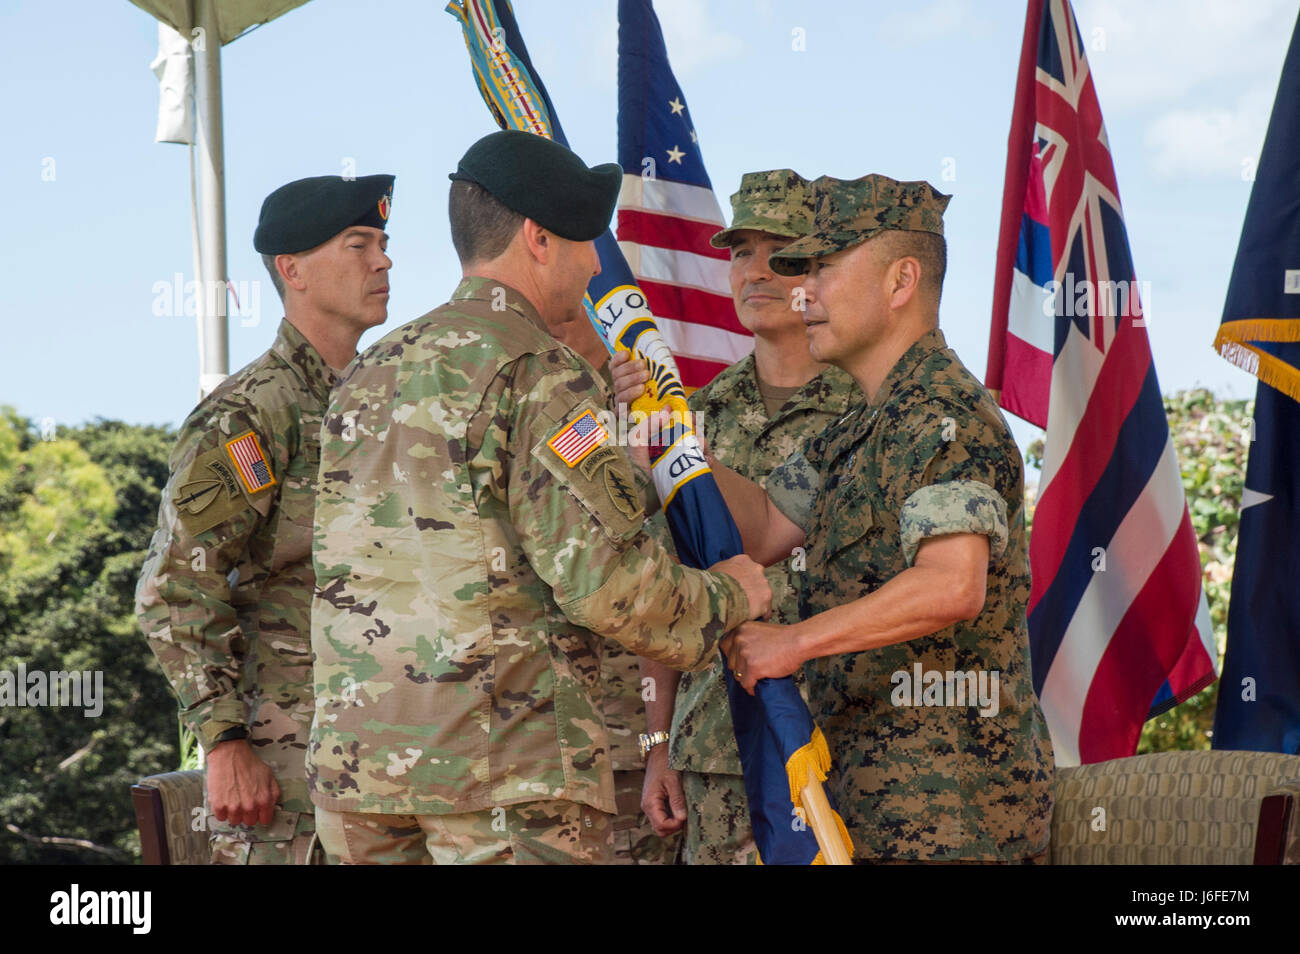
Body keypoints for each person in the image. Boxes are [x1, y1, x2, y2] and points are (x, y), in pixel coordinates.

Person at [306, 129, 771, 866]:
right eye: (586, 241)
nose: (596, 264)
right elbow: (603, 586)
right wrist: (731, 595)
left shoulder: (369, 371)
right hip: (501, 776)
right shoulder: (541, 373)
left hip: (359, 774)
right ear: (539, 239)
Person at [621, 173, 1054, 863]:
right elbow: (762, 526)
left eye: (823, 267)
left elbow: (952, 585)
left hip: (950, 809)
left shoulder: (944, 415)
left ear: (901, 281)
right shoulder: (858, 427)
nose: (806, 290)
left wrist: (793, 643)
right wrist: (666, 431)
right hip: (863, 795)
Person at [136, 173, 395, 864]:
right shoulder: (253, 412)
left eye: (383, 242)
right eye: (358, 244)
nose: (383, 260)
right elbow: (174, 586)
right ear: (293, 270)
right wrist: (224, 743)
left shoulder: (391, 402)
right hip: (286, 781)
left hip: (392, 773)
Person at [617, 169, 857, 865]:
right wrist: (656, 746)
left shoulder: (871, 408)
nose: (753, 272)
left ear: (821, 269)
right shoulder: (692, 414)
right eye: (738, 252)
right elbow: (656, 587)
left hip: (842, 746)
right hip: (717, 754)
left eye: (778, 254)